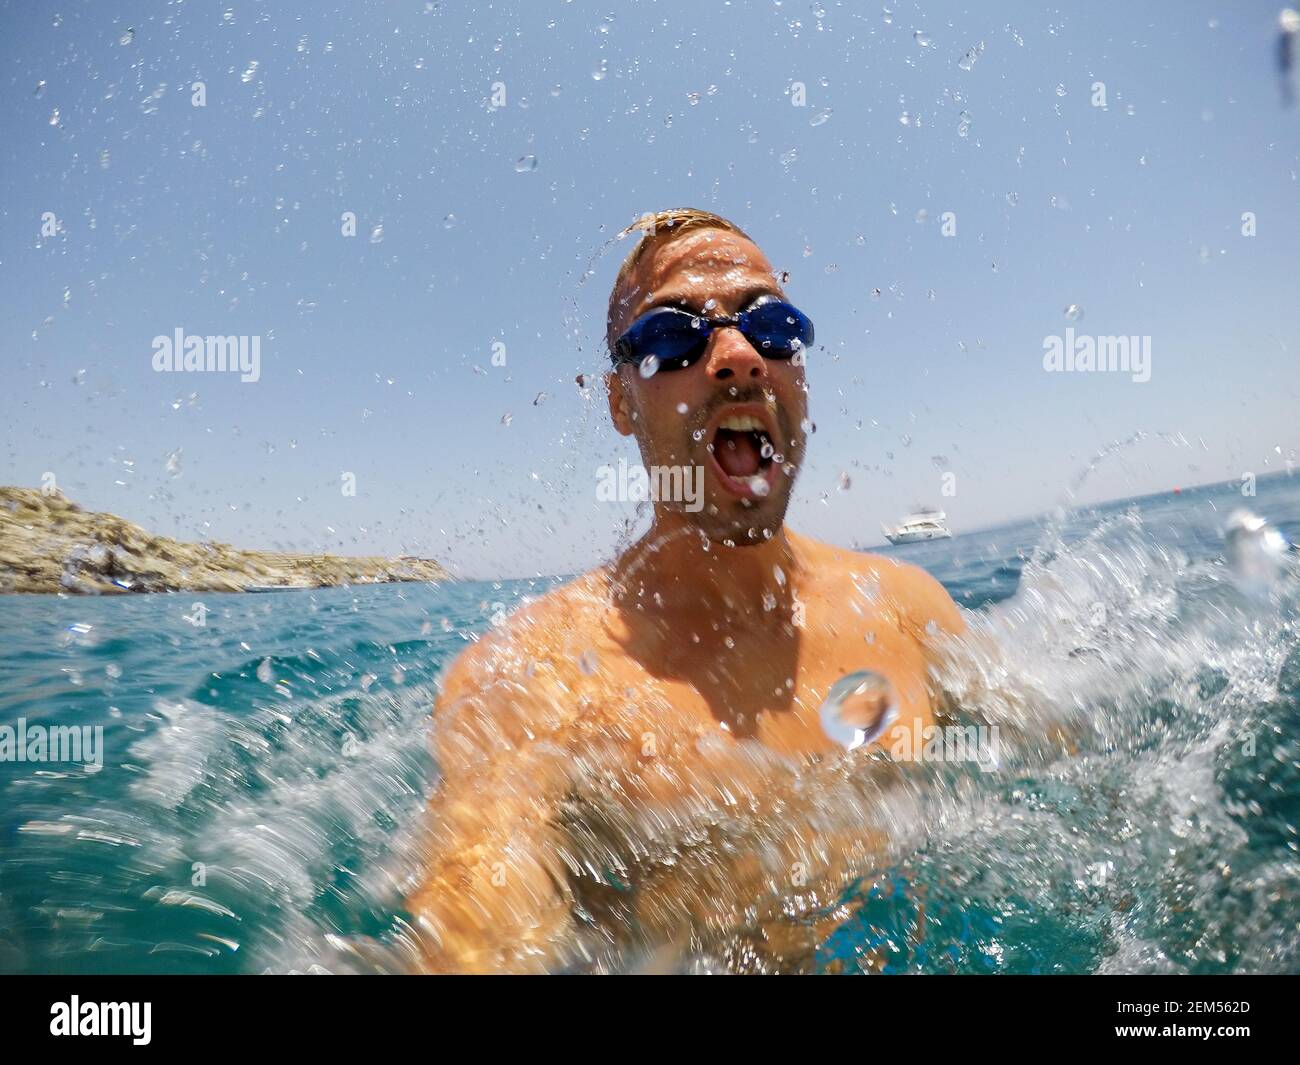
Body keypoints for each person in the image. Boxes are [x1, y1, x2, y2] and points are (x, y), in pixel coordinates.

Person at [407, 208, 964, 973]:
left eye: (771, 323)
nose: (738, 356)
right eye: (672, 336)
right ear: (619, 404)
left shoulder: (910, 609)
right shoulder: (531, 679)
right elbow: (475, 933)